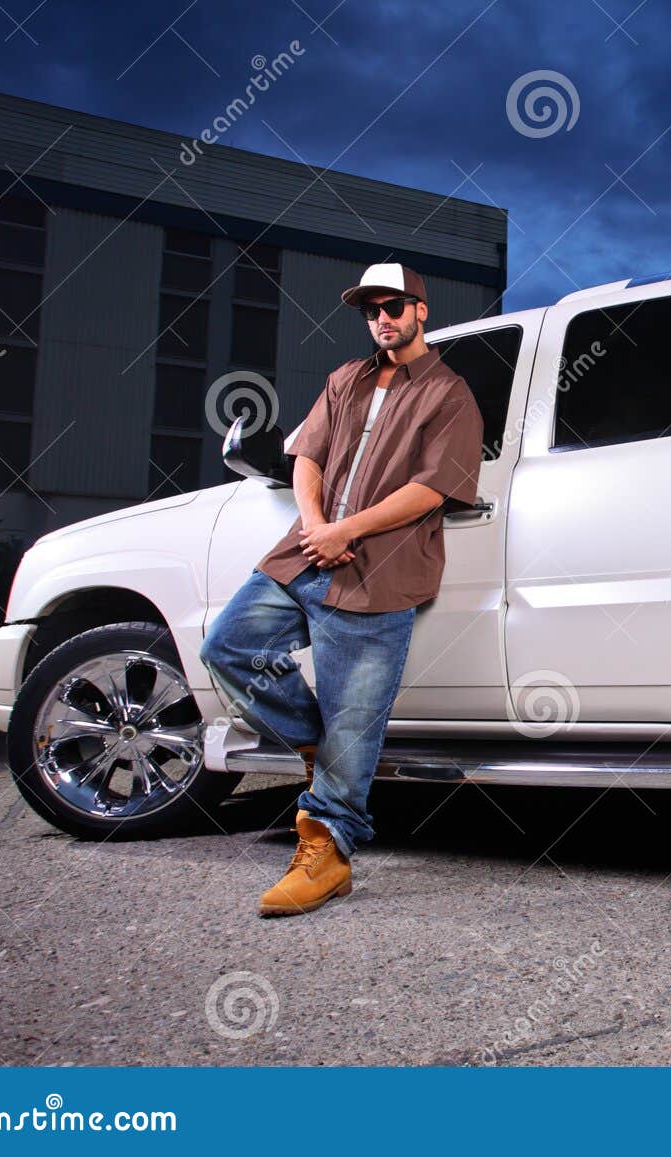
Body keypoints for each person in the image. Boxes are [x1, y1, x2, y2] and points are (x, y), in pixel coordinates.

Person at [199, 262, 484, 917]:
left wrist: (348, 531)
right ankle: (316, 744)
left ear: (421, 309)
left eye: (394, 306)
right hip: (304, 554)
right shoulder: (345, 378)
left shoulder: (450, 394)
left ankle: (326, 853)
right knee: (227, 648)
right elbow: (307, 457)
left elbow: (433, 488)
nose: (382, 317)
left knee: (354, 721)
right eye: (371, 309)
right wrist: (318, 527)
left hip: (381, 569)